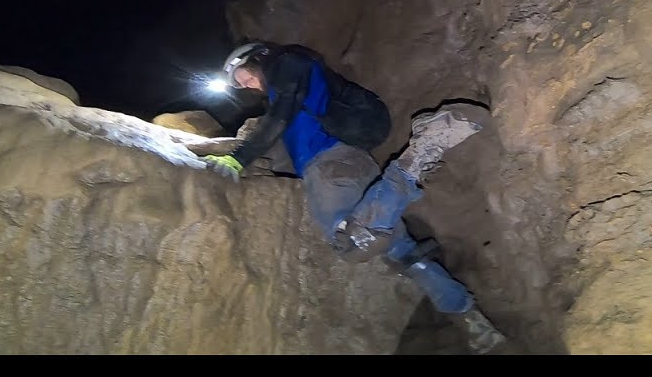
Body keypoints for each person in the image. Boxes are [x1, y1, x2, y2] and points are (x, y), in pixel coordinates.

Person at [197, 41, 507, 353]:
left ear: (257, 57)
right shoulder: (293, 84)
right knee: (403, 253)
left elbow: (279, 117)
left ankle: (426, 147)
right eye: (241, 86)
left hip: (328, 165)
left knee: (352, 241)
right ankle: (475, 323)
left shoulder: (286, 66)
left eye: (244, 76)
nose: (248, 85)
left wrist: (239, 157)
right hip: (355, 165)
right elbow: (281, 130)